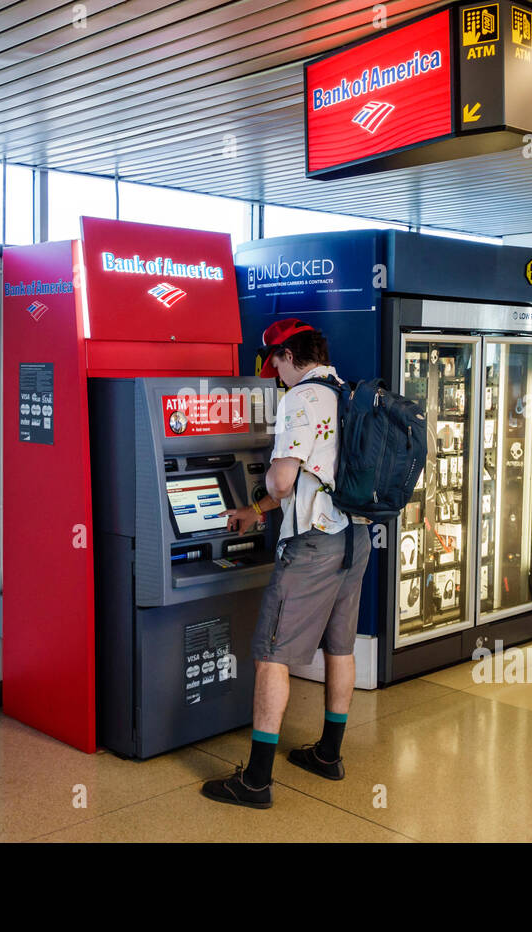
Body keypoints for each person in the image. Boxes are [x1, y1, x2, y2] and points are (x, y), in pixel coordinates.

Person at [201, 319, 372, 809]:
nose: (273, 373)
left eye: (274, 362)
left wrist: (264, 489)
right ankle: (329, 755)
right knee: (340, 646)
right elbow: (321, 479)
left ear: (289, 355)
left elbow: (283, 480)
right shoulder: (347, 391)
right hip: (354, 539)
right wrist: (252, 512)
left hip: (313, 547)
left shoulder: (301, 399)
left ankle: (256, 781)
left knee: (270, 654)